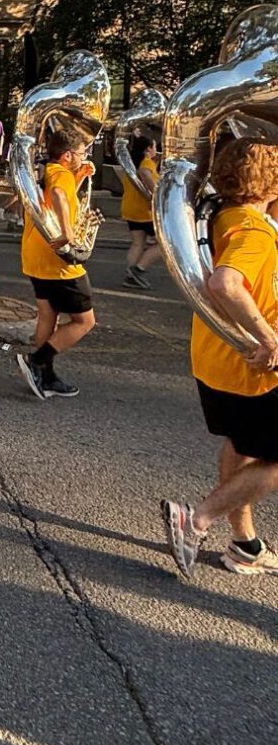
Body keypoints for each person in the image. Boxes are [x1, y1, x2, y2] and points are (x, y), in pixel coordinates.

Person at [161, 138, 278, 579]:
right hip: (252, 365)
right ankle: (197, 520)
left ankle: (244, 545)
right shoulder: (254, 230)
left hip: (215, 358)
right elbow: (225, 283)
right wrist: (269, 338)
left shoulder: (220, 215)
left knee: (243, 445)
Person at [15, 128, 97, 400]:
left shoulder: (49, 170)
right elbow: (60, 195)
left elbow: (57, 195)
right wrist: (68, 234)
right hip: (58, 260)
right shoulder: (61, 174)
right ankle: (37, 361)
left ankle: (45, 377)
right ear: (67, 155)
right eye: (82, 152)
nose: (85, 156)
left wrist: (80, 176)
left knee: (48, 315)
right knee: (85, 321)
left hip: (35, 254)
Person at [121, 135, 163, 289]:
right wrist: (155, 193)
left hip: (131, 209)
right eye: (154, 147)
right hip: (145, 211)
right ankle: (139, 269)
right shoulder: (146, 162)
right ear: (147, 149)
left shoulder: (130, 163)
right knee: (164, 244)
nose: (156, 150)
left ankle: (130, 275)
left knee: (137, 243)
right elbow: (145, 173)